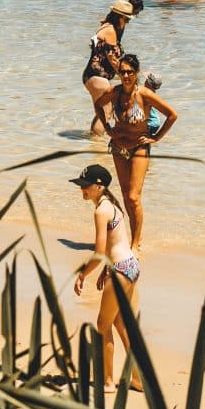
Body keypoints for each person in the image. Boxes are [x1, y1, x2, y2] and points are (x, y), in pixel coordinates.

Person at [71, 163, 140, 392]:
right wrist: (104, 270)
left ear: (99, 187)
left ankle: (108, 382)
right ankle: (138, 379)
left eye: (85, 186)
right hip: (130, 266)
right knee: (122, 325)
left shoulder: (100, 210)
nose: (82, 189)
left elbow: (100, 251)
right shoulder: (112, 205)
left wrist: (82, 274)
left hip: (120, 269)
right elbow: (116, 243)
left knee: (103, 325)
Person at [103, 53, 176, 249]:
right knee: (126, 195)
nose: (125, 75)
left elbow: (172, 115)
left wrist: (156, 137)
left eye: (130, 72)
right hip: (118, 147)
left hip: (139, 147)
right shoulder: (115, 92)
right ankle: (132, 236)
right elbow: (97, 104)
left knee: (134, 197)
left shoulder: (145, 95)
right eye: (122, 72)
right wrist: (107, 127)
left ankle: (135, 244)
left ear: (137, 73)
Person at [82, 0, 134, 132]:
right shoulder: (110, 31)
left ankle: (94, 140)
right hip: (97, 76)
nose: (128, 22)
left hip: (93, 75)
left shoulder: (107, 26)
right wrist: (126, 76)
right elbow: (113, 59)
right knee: (106, 111)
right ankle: (97, 142)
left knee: (102, 111)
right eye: (127, 19)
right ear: (119, 17)